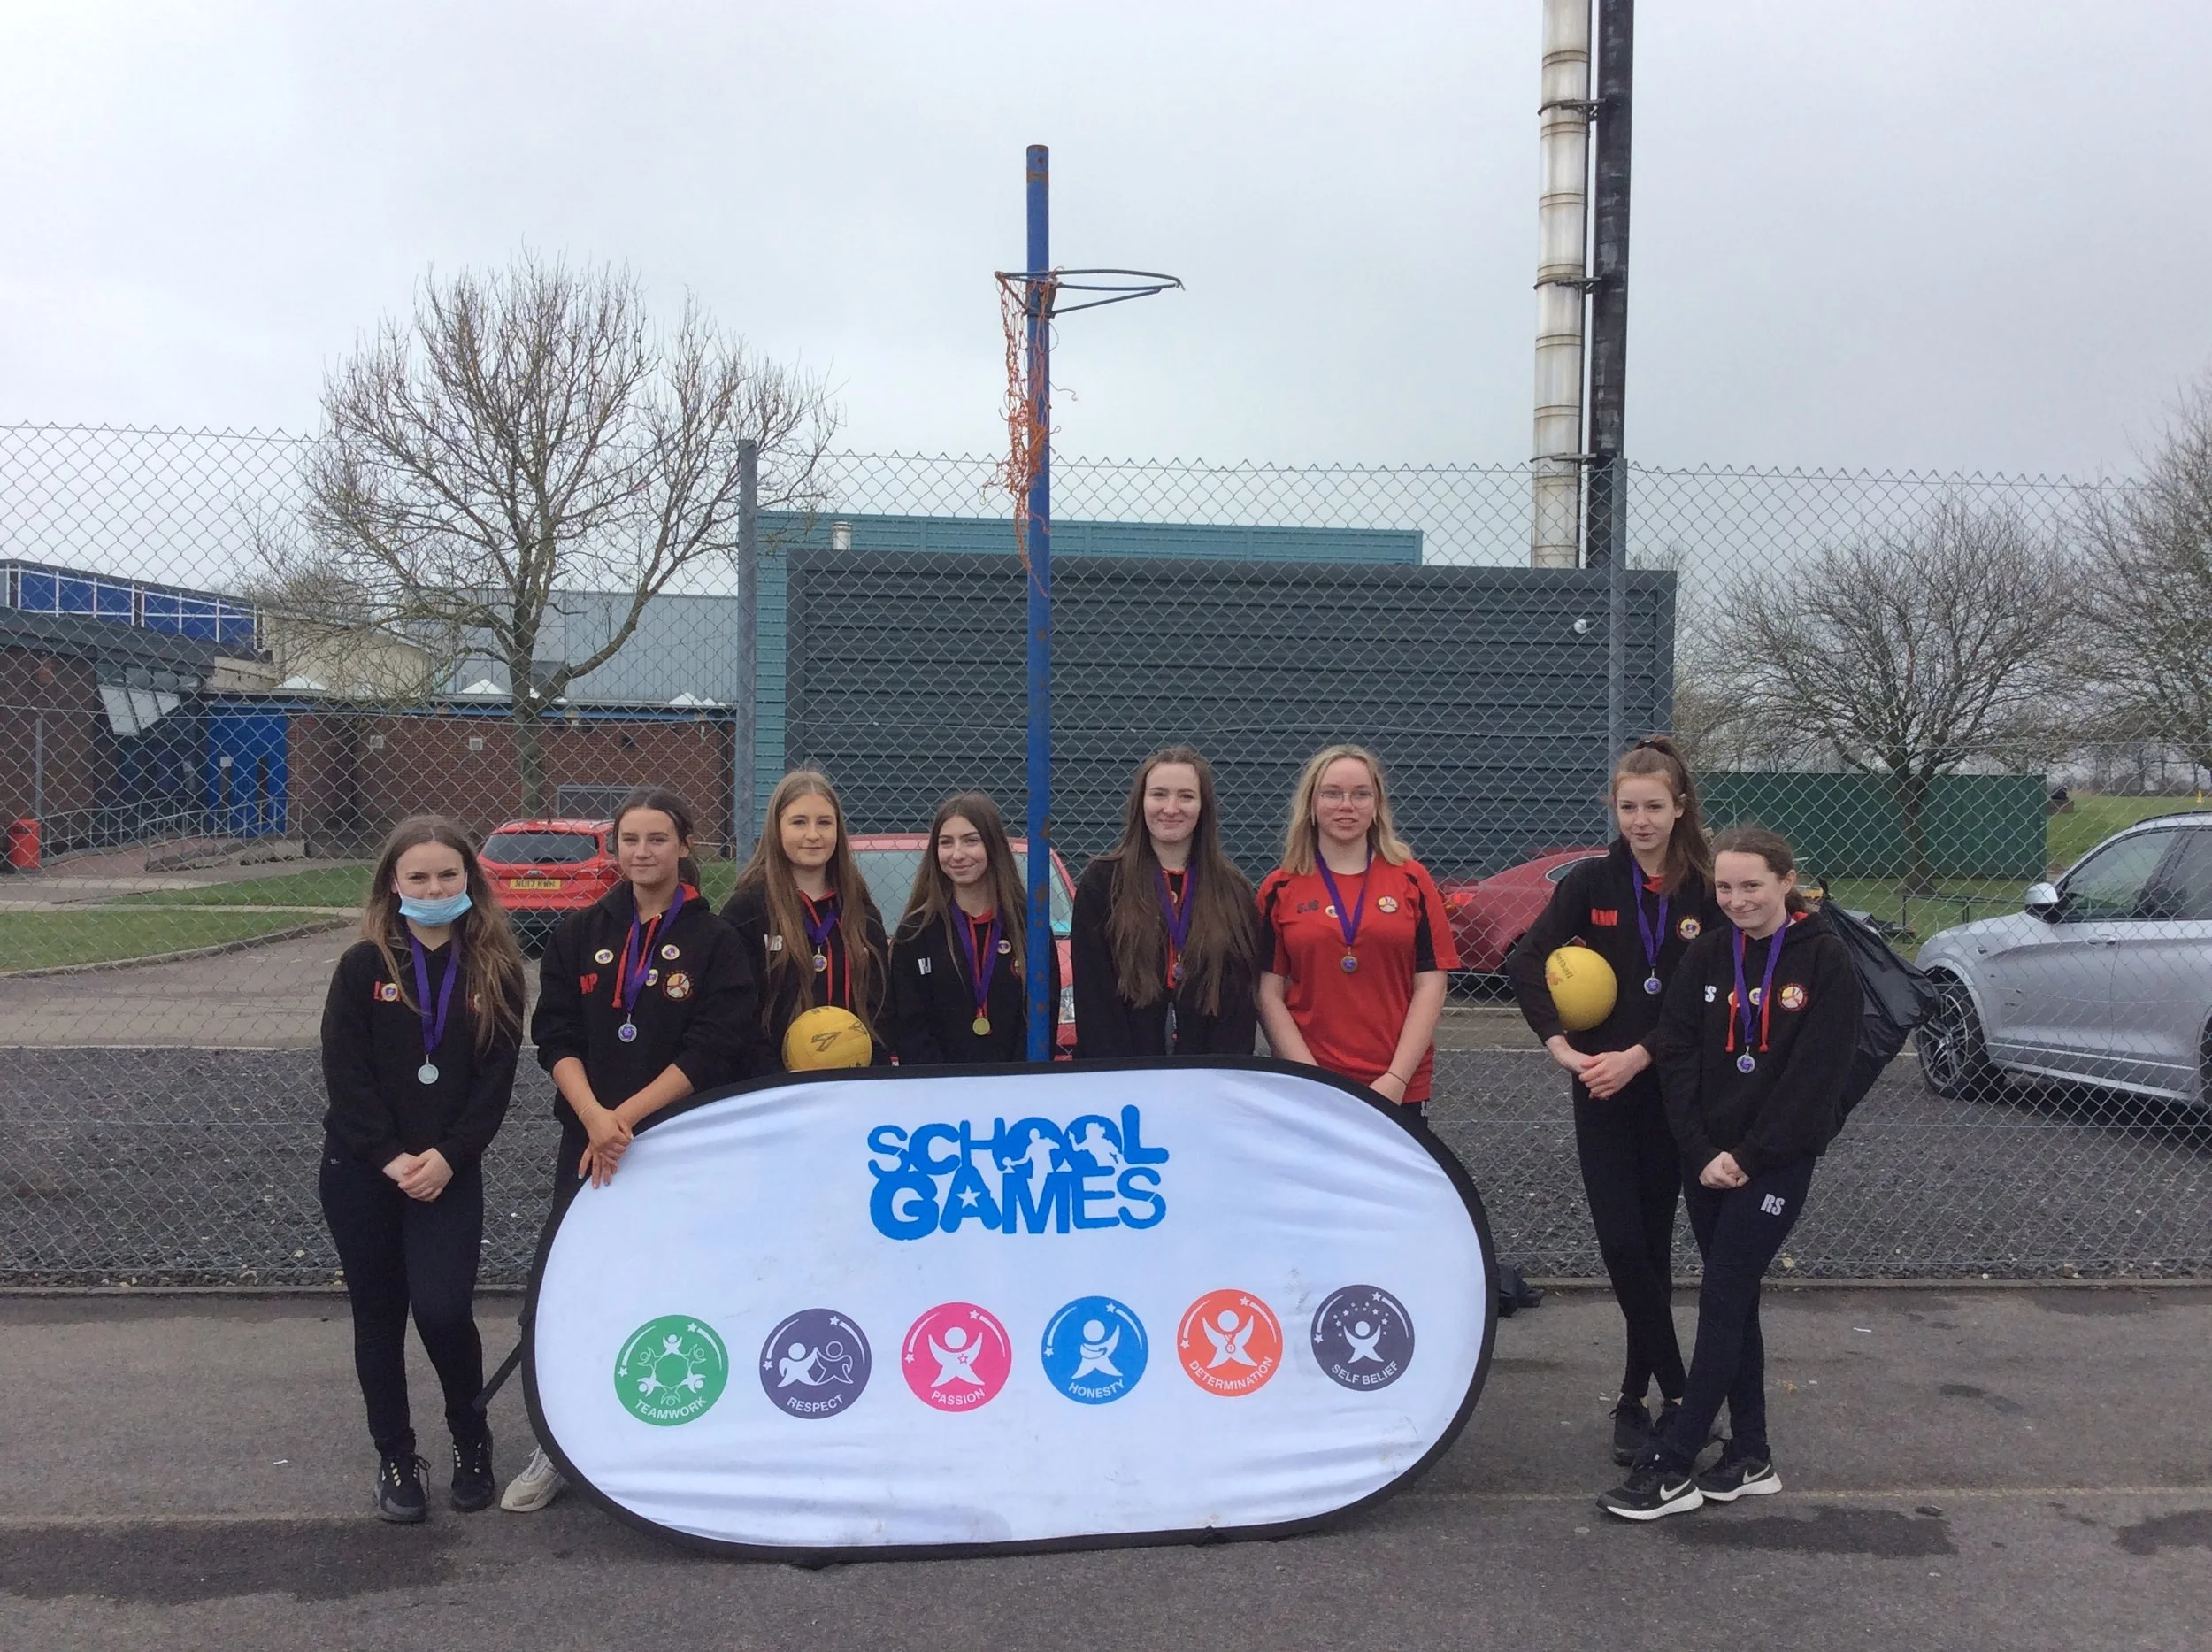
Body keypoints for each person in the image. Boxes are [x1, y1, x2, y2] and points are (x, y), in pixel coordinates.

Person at [504, 786, 757, 1512]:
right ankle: (560, 1446)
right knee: (578, 1292)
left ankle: (689, 1442)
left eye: (656, 838)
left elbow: (716, 1045)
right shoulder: (580, 932)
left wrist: (628, 1120)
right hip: (591, 1149)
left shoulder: (716, 942)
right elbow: (556, 1035)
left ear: (684, 847)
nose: (641, 851)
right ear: (614, 849)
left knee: (683, 1290)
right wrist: (594, 1117)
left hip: (679, 1148)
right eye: (629, 840)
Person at [1599, 825, 1859, 1522]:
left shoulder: (1826, 962)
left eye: (1752, 885)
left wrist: (1748, 1156)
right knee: (1735, 1298)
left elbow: (1815, 1080)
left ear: (1786, 881)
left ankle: (1676, 1461)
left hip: (1772, 1162)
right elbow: (1677, 1051)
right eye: (1725, 886)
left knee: (1722, 1293)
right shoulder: (1710, 952)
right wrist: (1699, 1145)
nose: (1738, 898)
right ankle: (1751, 1452)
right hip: (1707, 1158)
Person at [1508, 734, 1723, 1468]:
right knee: (1622, 1244)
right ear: (1616, 808)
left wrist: (1641, 1053)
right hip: (1601, 1086)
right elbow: (1525, 958)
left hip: (1672, 1088)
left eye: (1654, 806)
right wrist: (1562, 1048)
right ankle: (1683, 1388)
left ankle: (1639, 1399)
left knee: (1655, 1248)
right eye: (1628, 806)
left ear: (1680, 808)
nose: (1640, 820)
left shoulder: (1705, 888)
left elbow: (1706, 996)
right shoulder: (1593, 883)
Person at [318, 815, 527, 1524]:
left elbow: (493, 1084)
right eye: (418, 876)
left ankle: (472, 1438)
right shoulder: (362, 967)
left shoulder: (497, 969)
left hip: (447, 1170)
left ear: (469, 879)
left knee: (442, 1311)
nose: (434, 887)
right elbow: (345, 1075)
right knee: (379, 1316)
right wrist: (388, 1156)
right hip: (363, 1169)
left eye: (447, 874)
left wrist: (447, 1157)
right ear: (394, 884)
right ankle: (396, 1455)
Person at [1256, 744, 1459, 1121]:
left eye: (1360, 794)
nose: (1346, 805)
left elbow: (1431, 983)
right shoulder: (1280, 888)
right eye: (1332, 793)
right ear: (1311, 804)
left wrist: (1396, 1078)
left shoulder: (1412, 879)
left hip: (1396, 1085)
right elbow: (1268, 994)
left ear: (1377, 805)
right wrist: (1311, 1078)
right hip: (1311, 1085)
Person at [1071, 746, 1262, 1057]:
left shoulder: (1233, 890)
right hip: (1123, 1071)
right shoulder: (1102, 882)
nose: (1171, 808)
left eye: (1186, 796)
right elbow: (1094, 997)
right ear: (1140, 803)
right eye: (1159, 795)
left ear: (1203, 807)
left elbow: (1238, 1006)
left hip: (1207, 1074)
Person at [720, 769, 892, 1067]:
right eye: (799, 822)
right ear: (777, 829)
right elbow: (735, 1011)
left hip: (855, 1082)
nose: (813, 835)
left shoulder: (862, 913)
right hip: (771, 1084)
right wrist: (773, 1076)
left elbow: (882, 1007)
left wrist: (872, 1072)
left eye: (824, 822)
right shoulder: (747, 910)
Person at [889, 791, 1062, 1064]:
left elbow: (1043, 1019)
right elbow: (911, 1027)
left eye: (971, 841)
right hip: (939, 1092)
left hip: (1015, 1091)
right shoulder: (914, 933)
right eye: (946, 843)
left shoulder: (1031, 928)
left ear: (993, 845)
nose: (957, 854)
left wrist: (1015, 1081)